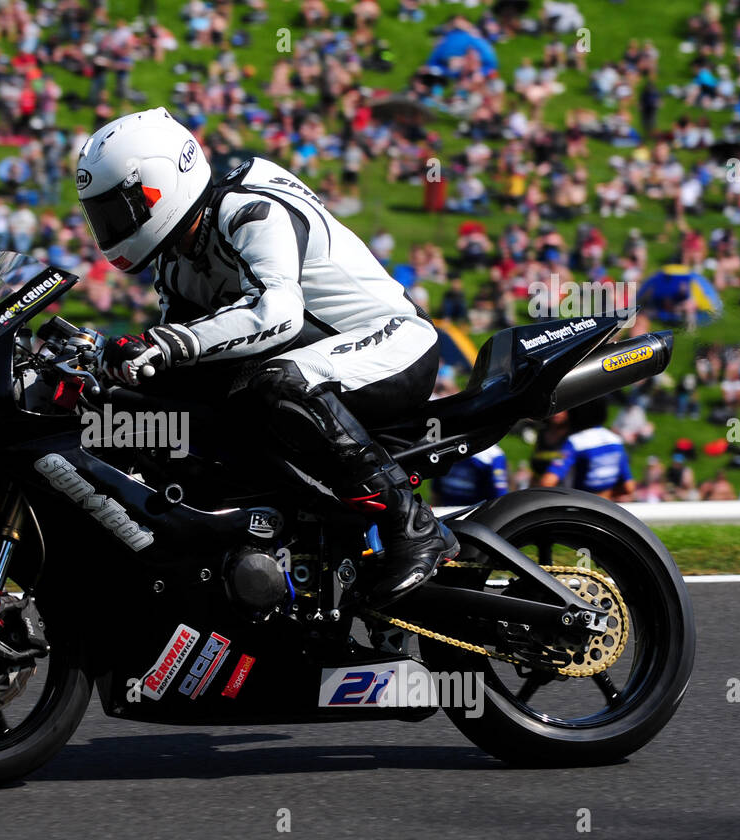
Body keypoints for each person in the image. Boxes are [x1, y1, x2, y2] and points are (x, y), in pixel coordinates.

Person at [76, 108, 456, 606]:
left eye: (118, 210)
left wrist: (168, 344)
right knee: (163, 399)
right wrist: (107, 366)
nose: (111, 226)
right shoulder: (176, 262)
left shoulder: (249, 209)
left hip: (391, 343)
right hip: (316, 360)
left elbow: (279, 314)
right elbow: (185, 356)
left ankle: (414, 526)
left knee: (280, 382)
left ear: (159, 186)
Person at [539, 398, 635, 501]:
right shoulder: (615, 440)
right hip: (606, 506)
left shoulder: (576, 442)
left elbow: (547, 482)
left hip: (580, 506)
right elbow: (629, 487)